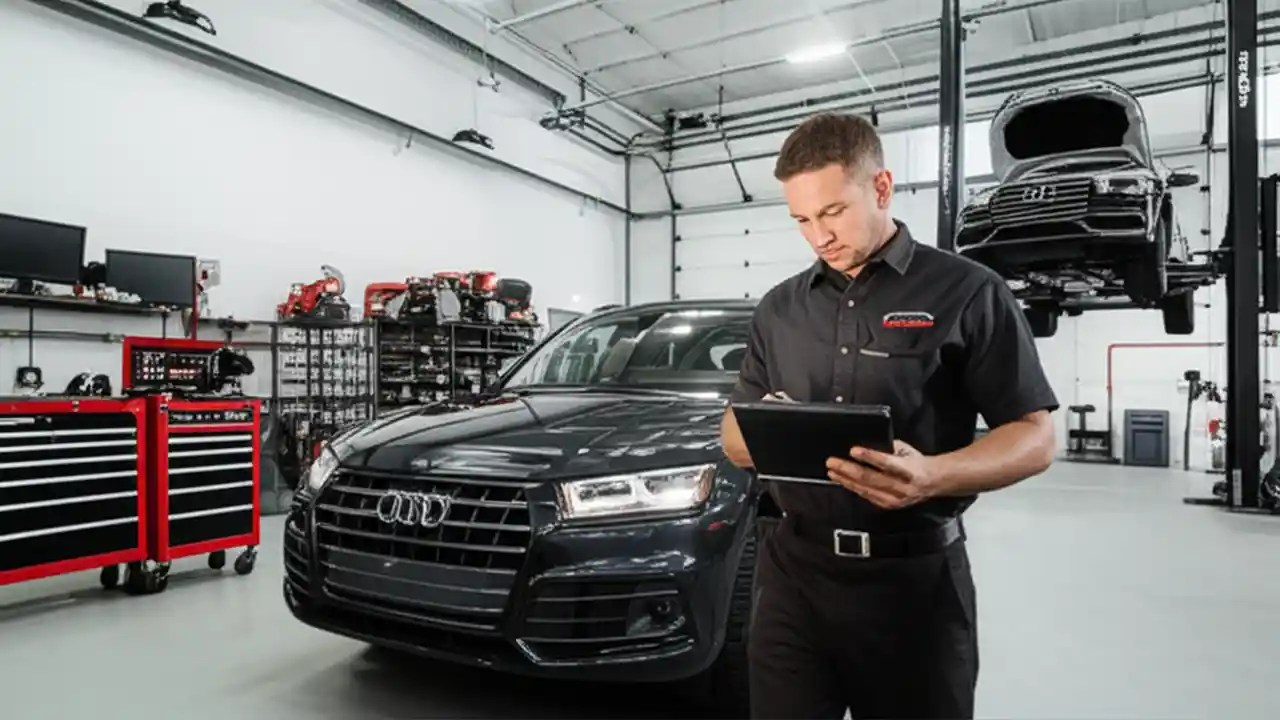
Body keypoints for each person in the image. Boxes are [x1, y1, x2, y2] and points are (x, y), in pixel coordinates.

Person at [719, 112, 1060, 719]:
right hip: (793, 578)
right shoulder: (778, 309)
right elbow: (733, 434)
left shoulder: (969, 292)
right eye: (801, 219)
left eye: (832, 213)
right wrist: (768, 430)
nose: (817, 236)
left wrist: (933, 476)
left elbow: (1034, 438)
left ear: (881, 187)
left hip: (916, 586)